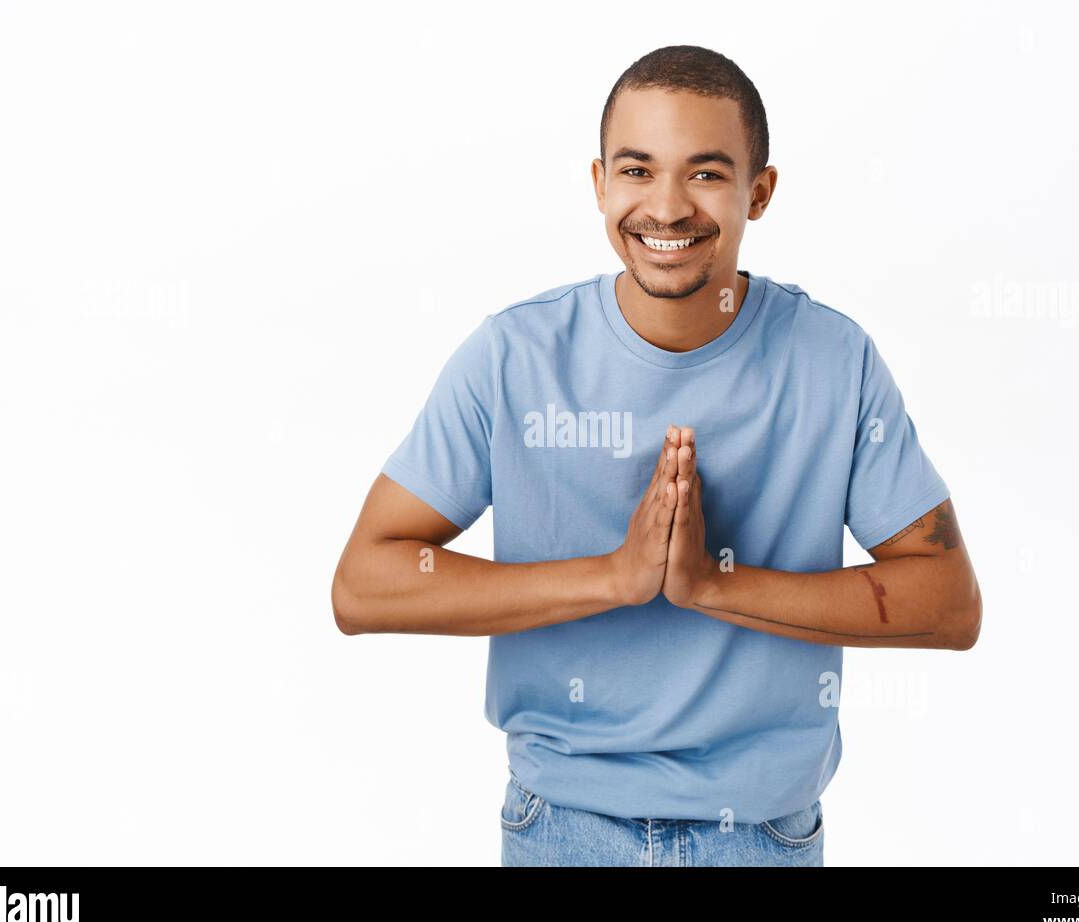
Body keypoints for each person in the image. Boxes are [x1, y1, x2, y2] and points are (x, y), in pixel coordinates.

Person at [331, 45, 982, 867]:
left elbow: (949, 605)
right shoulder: (513, 358)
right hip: (560, 823)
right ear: (600, 183)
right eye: (638, 170)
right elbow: (362, 585)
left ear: (761, 191)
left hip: (763, 832)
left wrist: (715, 586)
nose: (666, 208)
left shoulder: (834, 360)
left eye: (706, 174)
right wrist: (615, 577)